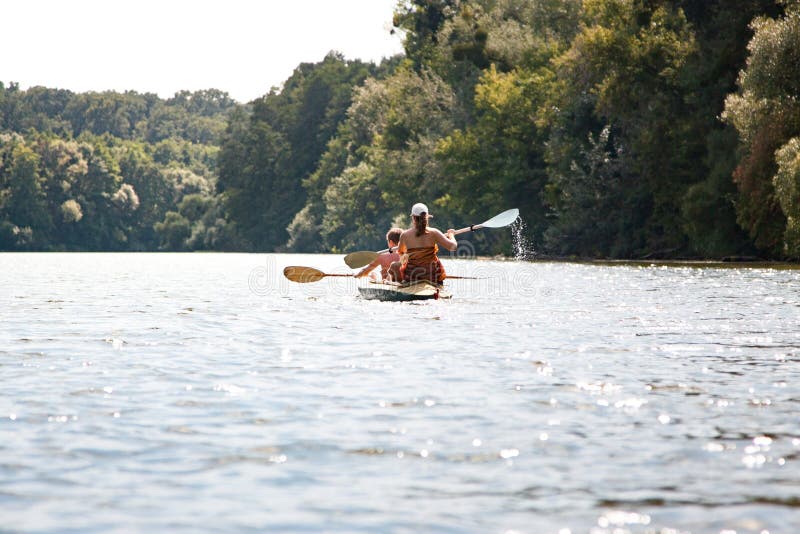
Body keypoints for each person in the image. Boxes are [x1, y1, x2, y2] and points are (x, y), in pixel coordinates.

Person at [389, 203, 457, 284]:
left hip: (412, 276)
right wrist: (451, 235)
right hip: (432, 276)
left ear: (413, 218)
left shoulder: (405, 235)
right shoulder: (434, 232)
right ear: (427, 217)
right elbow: (453, 247)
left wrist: (411, 250)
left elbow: (401, 252)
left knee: (394, 266)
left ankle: (398, 287)